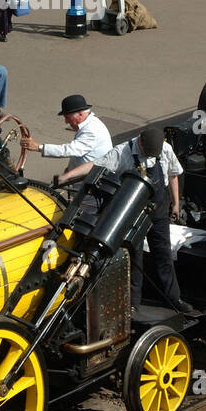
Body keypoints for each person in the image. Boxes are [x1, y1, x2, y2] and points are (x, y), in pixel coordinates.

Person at [59, 125, 193, 314]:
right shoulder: (122, 152)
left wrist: (176, 204)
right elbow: (95, 165)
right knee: (134, 257)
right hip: (133, 212)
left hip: (158, 210)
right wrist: (67, 176)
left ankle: (173, 298)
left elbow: (173, 175)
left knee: (163, 254)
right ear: (140, 142)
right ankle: (133, 304)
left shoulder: (165, 149)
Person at [22, 95, 112, 171]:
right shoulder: (91, 124)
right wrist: (69, 169)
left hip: (88, 183)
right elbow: (79, 152)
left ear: (80, 114)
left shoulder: (91, 131)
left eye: (68, 118)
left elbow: (68, 150)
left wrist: (38, 147)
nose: (66, 122)